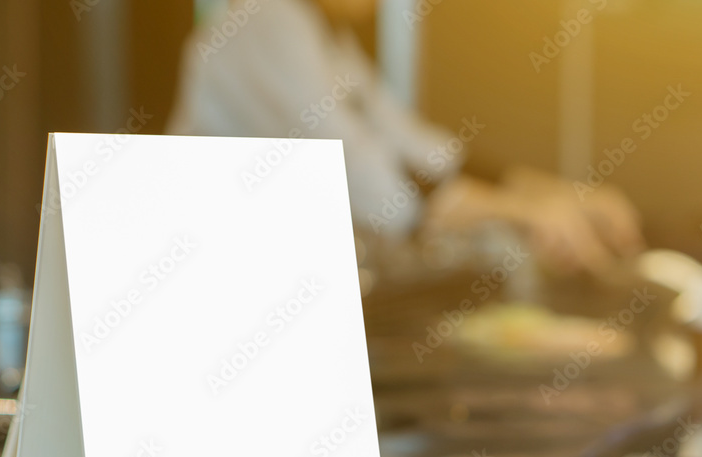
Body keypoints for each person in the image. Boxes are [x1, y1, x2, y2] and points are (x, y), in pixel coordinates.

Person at [167, 0, 644, 274]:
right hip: (204, 267)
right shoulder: (266, 23)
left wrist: (562, 195)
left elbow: (425, 151)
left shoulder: (328, 40)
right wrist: (524, 213)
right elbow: (385, 196)